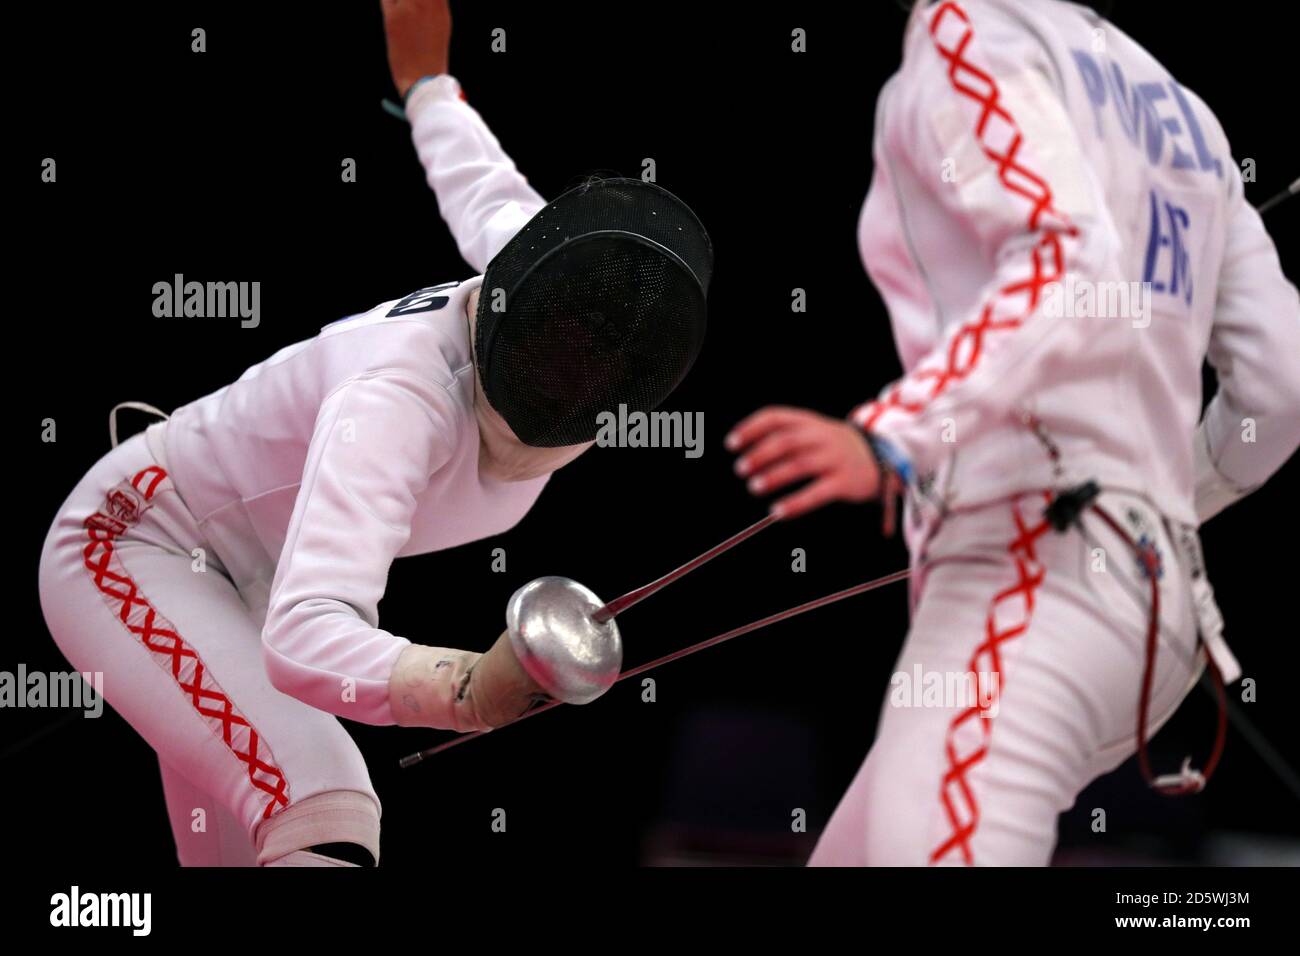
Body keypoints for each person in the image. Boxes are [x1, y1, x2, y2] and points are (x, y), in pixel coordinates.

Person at [37, 0, 710, 867]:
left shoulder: (551, 273)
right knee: (323, 803)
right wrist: (465, 688)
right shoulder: (400, 399)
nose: (585, 357)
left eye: (611, 350)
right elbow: (306, 633)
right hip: (138, 547)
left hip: (244, 581)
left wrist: (425, 85)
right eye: (568, 342)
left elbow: (485, 183)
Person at [727, 0, 1300, 865]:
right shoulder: (1183, 109)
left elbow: (1067, 258)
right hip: (1155, 620)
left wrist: (894, 437)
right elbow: (1284, 390)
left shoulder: (967, 32)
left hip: (1029, 583)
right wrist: (1154, 507)